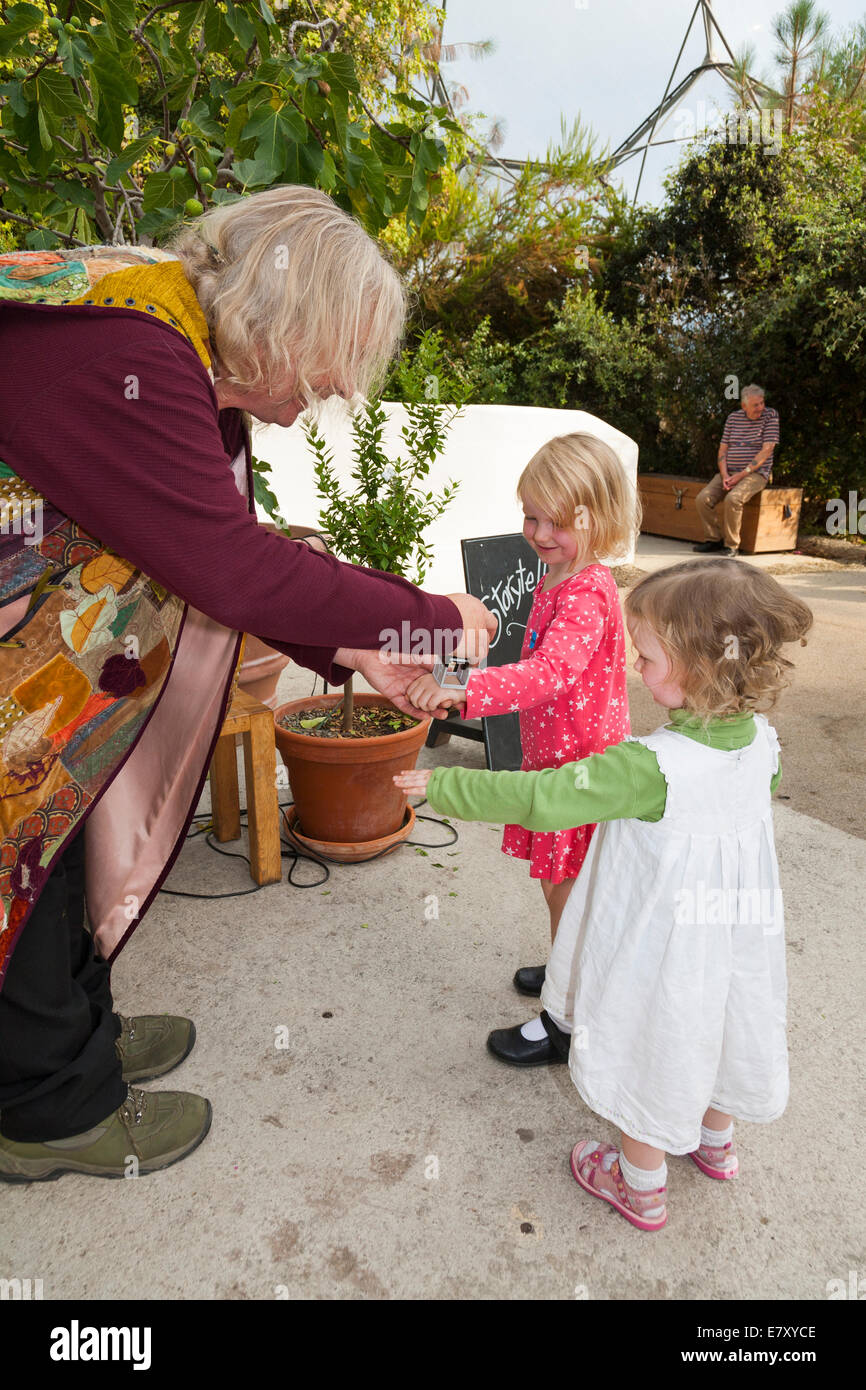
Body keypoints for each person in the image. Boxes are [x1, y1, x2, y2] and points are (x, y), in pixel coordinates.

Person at [0, 186, 495, 1181]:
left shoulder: (171, 345)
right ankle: (51, 1110)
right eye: (336, 356)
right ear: (288, 322)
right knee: (21, 854)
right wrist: (430, 619)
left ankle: (72, 1040)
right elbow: (231, 564)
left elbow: (207, 555)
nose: (337, 391)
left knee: (48, 833)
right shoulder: (136, 356)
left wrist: (346, 650)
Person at [396, 558, 812, 1230]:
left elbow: (544, 797)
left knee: (658, 1040)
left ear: (701, 668)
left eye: (647, 658)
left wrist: (446, 788)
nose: (635, 670)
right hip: (734, 936)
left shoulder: (649, 767)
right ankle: (715, 1144)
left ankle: (638, 1181)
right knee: (724, 1024)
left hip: (666, 946)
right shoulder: (764, 746)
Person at [403, 433, 637, 1066]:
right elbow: (527, 660)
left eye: (556, 521)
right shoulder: (556, 576)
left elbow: (546, 674)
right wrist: (455, 678)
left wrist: (460, 690)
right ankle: (568, 960)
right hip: (555, 762)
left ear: (601, 517)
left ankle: (566, 1018)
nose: (536, 531)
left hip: (580, 774)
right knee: (559, 886)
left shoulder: (588, 594)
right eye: (530, 514)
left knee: (569, 891)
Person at [693, 385, 779, 557]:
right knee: (702, 499)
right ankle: (713, 539)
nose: (760, 408)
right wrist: (725, 475)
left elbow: (767, 450)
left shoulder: (770, 416)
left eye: (762, 403)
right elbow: (722, 450)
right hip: (729, 472)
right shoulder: (733, 418)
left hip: (755, 474)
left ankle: (732, 546)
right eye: (755, 405)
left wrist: (741, 475)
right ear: (744, 406)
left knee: (733, 499)